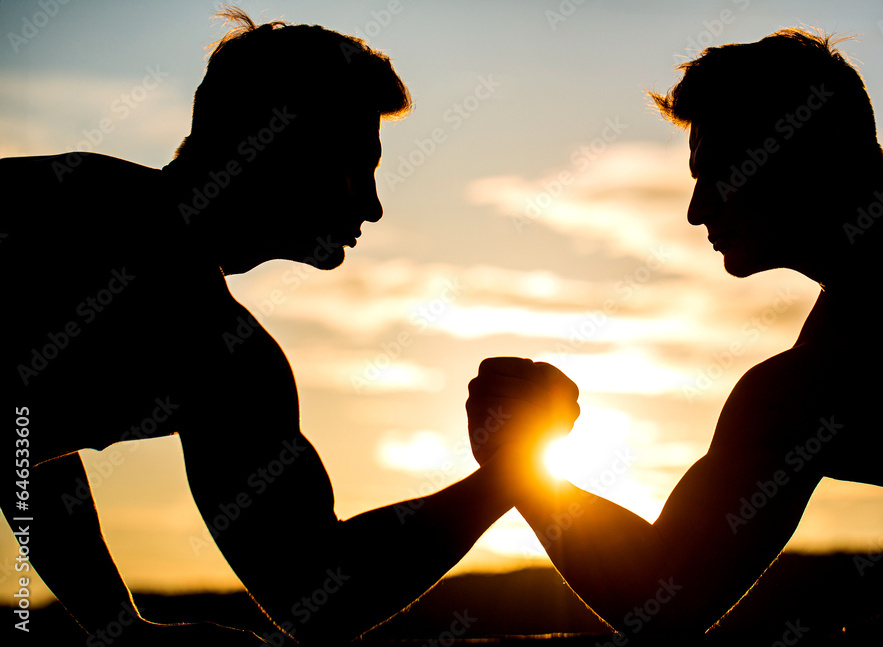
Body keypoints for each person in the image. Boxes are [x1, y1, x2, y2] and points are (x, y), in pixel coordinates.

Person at [4, 8, 580, 646]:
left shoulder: (219, 352)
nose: (373, 204)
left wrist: (115, 628)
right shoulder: (65, 218)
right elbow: (322, 591)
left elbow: (27, 435)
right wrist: (511, 474)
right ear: (280, 150)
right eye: (357, 165)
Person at [467, 28, 883, 642]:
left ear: (813, 149)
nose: (697, 210)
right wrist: (521, 470)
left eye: (719, 171)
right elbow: (665, 594)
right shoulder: (795, 396)